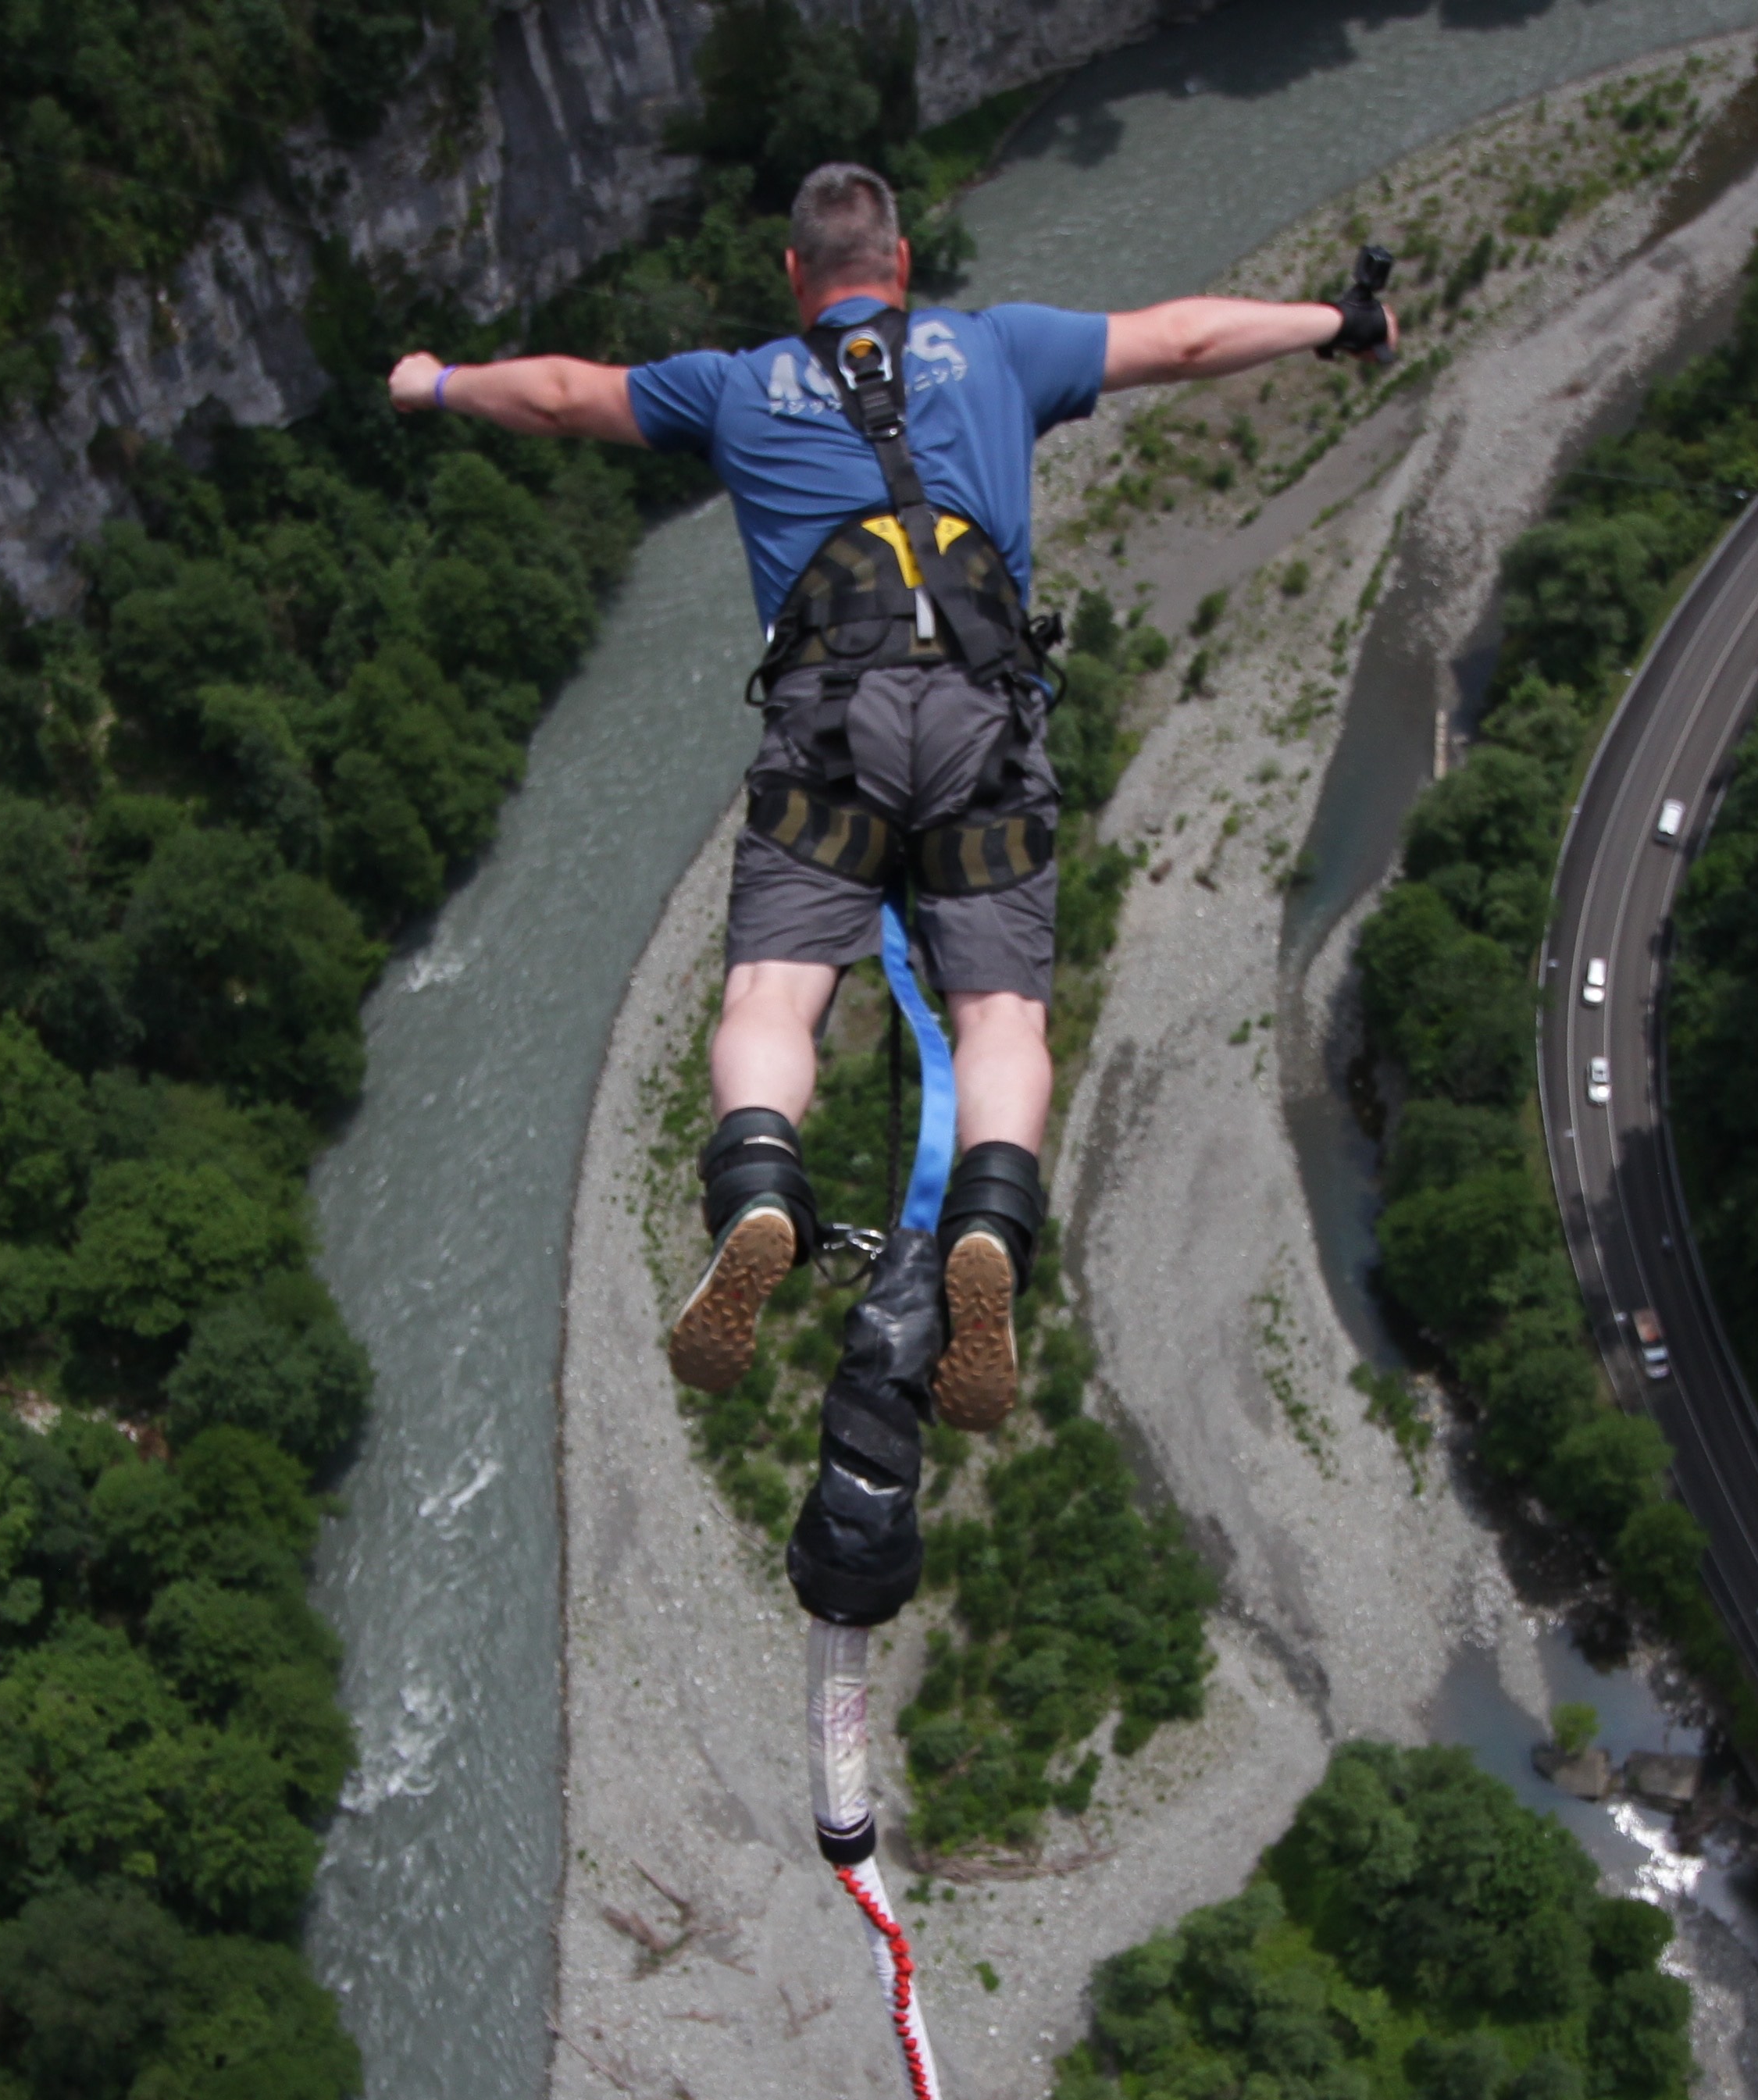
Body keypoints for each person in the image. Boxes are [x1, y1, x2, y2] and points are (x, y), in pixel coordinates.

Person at [390, 162, 1392, 1431]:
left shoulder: (736, 384)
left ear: (797, 279)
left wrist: (435, 383)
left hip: (827, 735)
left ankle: (759, 1176)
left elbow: (559, 394)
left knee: (772, 996)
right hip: (984, 725)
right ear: (903, 267)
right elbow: (1187, 337)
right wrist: (1338, 323)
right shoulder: (1001, 350)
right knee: (1001, 1018)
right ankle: (989, 1224)